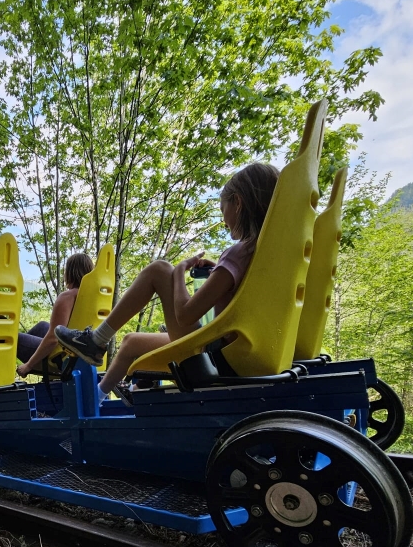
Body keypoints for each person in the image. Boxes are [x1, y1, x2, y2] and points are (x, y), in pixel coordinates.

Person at [55, 162, 280, 402]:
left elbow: (184, 315)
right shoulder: (266, 254)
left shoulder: (238, 253)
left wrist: (179, 272)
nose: (224, 220)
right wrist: (220, 271)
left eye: (222, 207)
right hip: (245, 354)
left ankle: (96, 341)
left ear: (237, 202)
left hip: (217, 359)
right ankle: (97, 400)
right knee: (131, 342)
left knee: (160, 270)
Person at [16, 253, 94, 377]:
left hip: (62, 356)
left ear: (69, 272)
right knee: (42, 326)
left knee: (12, 339)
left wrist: (28, 366)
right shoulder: (94, 298)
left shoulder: (68, 296)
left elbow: (53, 338)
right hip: (81, 352)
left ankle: (14, 368)